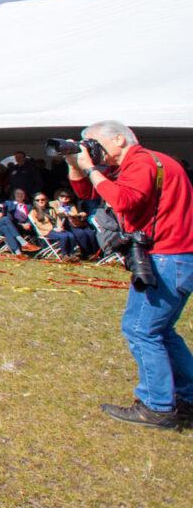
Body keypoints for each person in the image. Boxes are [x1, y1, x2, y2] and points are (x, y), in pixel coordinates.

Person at [67, 120, 193, 429]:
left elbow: (122, 200)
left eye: (95, 144)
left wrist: (92, 168)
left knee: (141, 330)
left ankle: (157, 406)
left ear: (119, 139)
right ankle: (188, 397)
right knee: (162, 331)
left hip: (168, 258)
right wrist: (75, 163)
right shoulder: (141, 162)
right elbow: (86, 189)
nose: (92, 151)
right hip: (173, 257)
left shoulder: (142, 162)